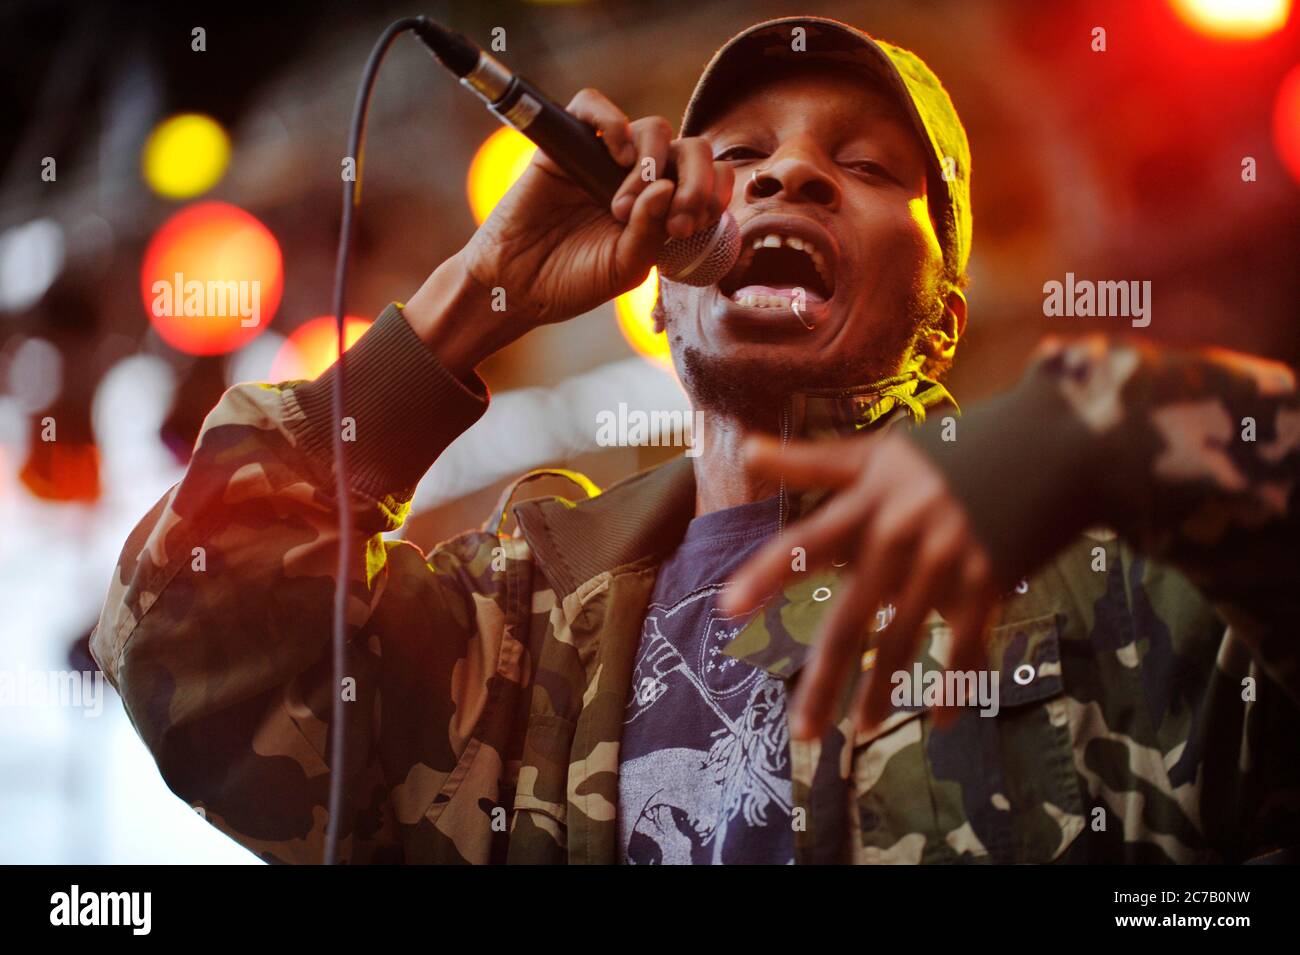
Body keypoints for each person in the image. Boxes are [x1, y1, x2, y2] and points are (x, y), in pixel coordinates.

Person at [92, 16, 1299, 864]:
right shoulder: (513, 631)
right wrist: (478, 295)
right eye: (738, 157)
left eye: (867, 165)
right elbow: (185, 650)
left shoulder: (1113, 573)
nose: (792, 176)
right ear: (659, 288)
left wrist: (1121, 427)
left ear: (945, 306)